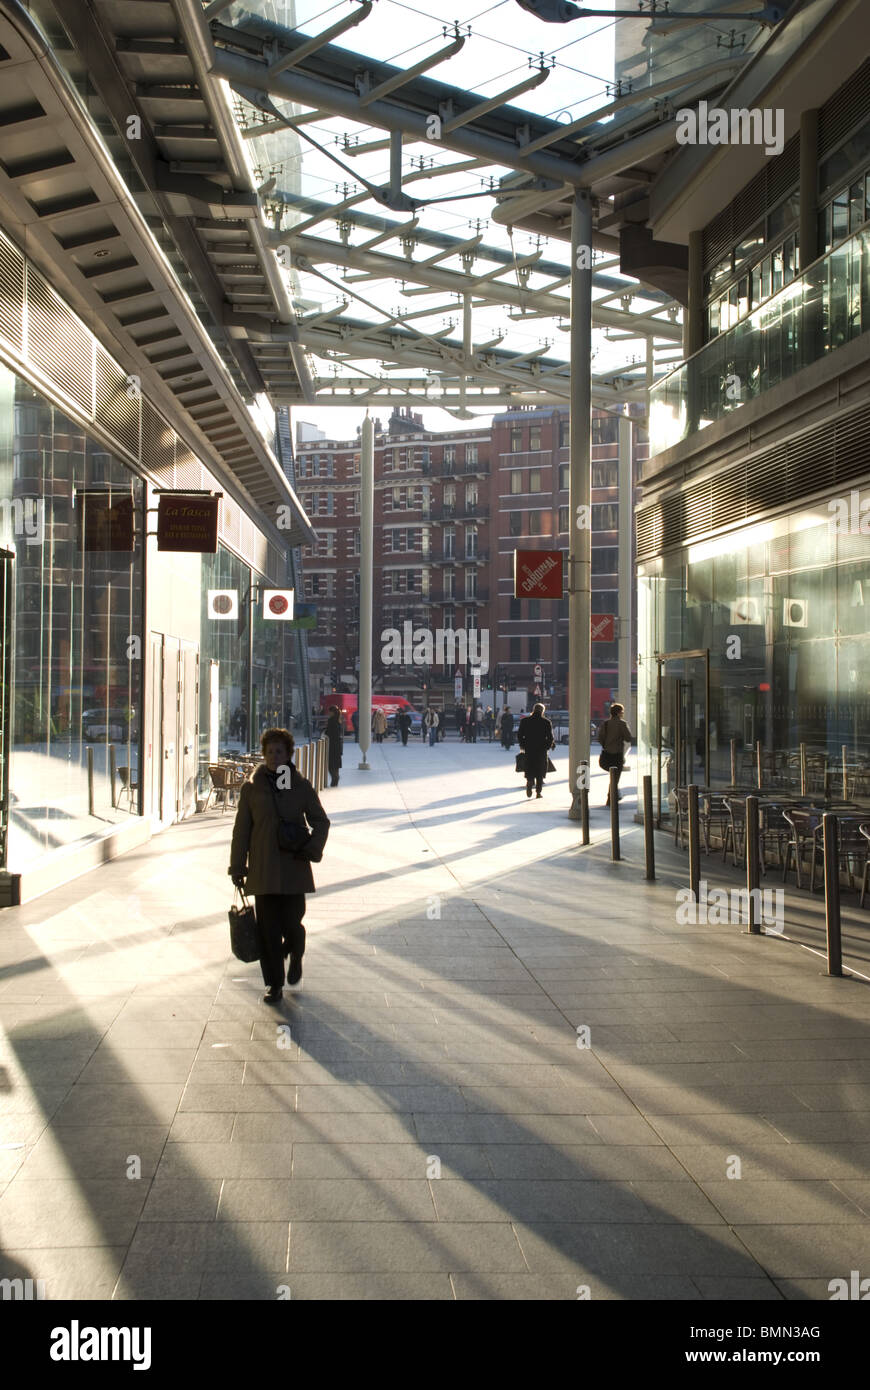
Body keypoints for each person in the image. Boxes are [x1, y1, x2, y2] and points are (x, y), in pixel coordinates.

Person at [229, 727, 329, 1004]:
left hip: (294, 867)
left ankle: (296, 953)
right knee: (268, 931)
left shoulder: (298, 785)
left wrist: (311, 849)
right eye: (270, 752)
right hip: (262, 870)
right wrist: (237, 866)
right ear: (263, 755)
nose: (274, 757)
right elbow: (241, 831)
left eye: (279, 752)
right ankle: (274, 983)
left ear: (288, 755)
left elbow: (321, 821)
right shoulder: (251, 788)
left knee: (292, 924)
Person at [596, 701, 635, 805]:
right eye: (622, 712)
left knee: (613, 777)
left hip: (606, 755)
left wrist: (607, 744)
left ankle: (613, 796)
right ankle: (611, 798)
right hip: (617, 755)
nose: (622, 714)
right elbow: (628, 738)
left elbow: (600, 738)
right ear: (618, 713)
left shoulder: (606, 724)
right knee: (615, 778)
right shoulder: (622, 724)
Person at [517, 703, 555, 799]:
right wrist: (547, 747)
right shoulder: (546, 722)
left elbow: (520, 735)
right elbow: (550, 737)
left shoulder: (525, 721)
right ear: (542, 711)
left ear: (533, 709)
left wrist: (523, 745)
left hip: (529, 749)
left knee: (529, 767)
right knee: (540, 770)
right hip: (541, 750)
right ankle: (538, 792)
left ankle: (529, 782)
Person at [324, 705, 343, 786]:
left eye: (329, 712)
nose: (328, 713)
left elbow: (329, 733)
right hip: (337, 747)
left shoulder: (331, 721)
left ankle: (334, 785)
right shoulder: (338, 721)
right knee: (335, 768)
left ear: (332, 712)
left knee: (331, 767)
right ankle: (334, 784)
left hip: (332, 747)